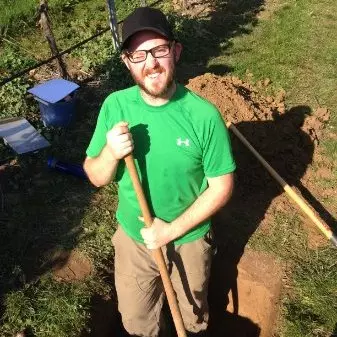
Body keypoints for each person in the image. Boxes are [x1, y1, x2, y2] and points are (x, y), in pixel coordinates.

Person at [84, 6, 236, 337]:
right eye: (138, 55)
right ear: (126, 62)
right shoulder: (116, 107)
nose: (150, 63)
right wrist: (110, 153)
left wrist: (170, 231)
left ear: (175, 51)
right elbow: (95, 176)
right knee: (137, 322)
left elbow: (221, 186)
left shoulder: (203, 116)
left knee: (192, 318)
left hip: (189, 239)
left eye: (159, 50)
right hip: (133, 242)